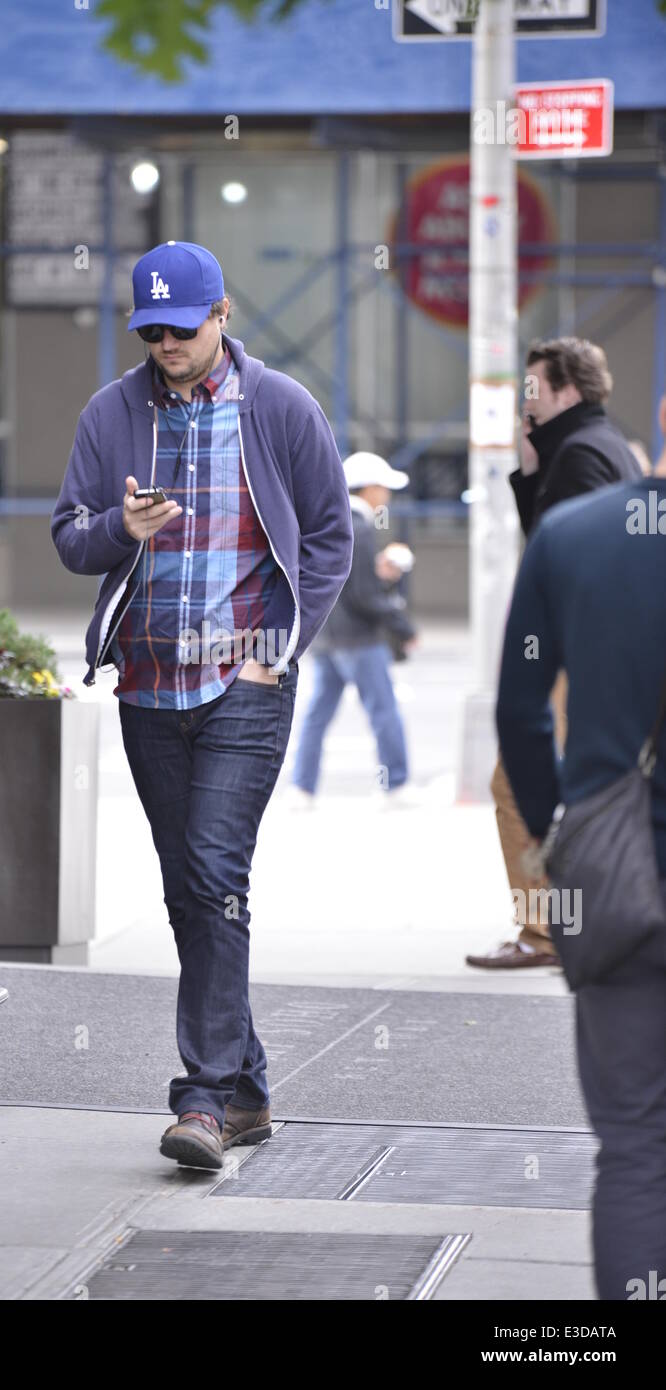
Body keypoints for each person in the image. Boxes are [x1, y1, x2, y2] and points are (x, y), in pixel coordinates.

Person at [51, 241, 353, 1170]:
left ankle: (204, 1100)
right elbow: (69, 538)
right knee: (192, 889)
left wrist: (279, 654)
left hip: (243, 688)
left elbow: (331, 537)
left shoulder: (281, 408)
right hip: (148, 689)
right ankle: (250, 1087)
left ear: (223, 315)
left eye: (181, 327)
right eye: (150, 330)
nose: (166, 343)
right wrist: (118, 528)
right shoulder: (113, 412)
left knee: (217, 874)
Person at [495, 470, 666, 1300]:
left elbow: (520, 711)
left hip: (613, 885)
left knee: (635, 1145)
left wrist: (554, 834)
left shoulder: (572, 535)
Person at [467, 337, 642, 971]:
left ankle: (544, 929)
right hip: (603, 653)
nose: (526, 397)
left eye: (535, 386)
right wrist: (530, 467)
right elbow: (553, 539)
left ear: (566, 389)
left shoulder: (583, 453)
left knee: (514, 784)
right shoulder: (591, 444)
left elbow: (578, 558)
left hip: (584, 655)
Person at [288, 452, 417, 804]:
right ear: (371, 489)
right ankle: (397, 784)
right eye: (385, 489)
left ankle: (302, 787)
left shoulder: (329, 523)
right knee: (383, 711)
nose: (387, 498)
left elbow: (342, 584)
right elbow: (364, 596)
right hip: (360, 639)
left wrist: (377, 575)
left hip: (326, 636)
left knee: (317, 717)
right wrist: (404, 627)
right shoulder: (358, 528)